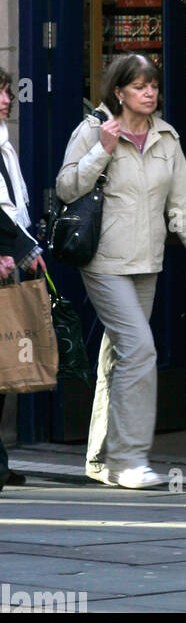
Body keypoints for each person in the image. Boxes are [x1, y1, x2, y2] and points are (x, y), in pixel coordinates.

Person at [56, 53, 186, 489]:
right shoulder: (94, 130)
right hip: (105, 262)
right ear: (119, 91)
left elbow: (184, 204)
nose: (149, 93)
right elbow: (67, 186)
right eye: (139, 86)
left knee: (121, 357)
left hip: (147, 263)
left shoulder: (166, 138)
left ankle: (102, 458)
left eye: (153, 85)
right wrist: (102, 152)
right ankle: (129, 460)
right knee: (140, 349)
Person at [0, 68, 45, 491]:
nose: (6, 98)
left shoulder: (4, 145)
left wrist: (29, 250)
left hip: (10, 260)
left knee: (3, 367)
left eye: (7, 90)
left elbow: (14, 207)